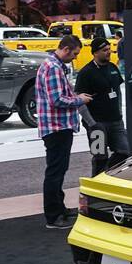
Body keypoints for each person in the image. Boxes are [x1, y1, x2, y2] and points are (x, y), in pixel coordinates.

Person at [35, 34, 92, 229]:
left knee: (57, 170)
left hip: (56, 126)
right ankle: (53, 216)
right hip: (56, 127)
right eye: (74, 53)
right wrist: (79, 100)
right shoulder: (52, 68)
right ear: (66, 49)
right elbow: (57, 100)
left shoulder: (54, 66)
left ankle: (59, 208)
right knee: (55, 172)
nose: (75, 58)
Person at [74, 36, 129, 175]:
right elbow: (79, 101)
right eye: (105, 50)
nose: (109, 52)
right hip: (96, 123)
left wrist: (119, 112)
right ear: (95, 52)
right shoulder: (86, 72)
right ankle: (97, 182)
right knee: (99, 157)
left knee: (125, 151)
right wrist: (92, 123)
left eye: (110, 49)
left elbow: (117, 92)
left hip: (116, 121)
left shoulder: (113, 68)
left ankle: (107, 172)